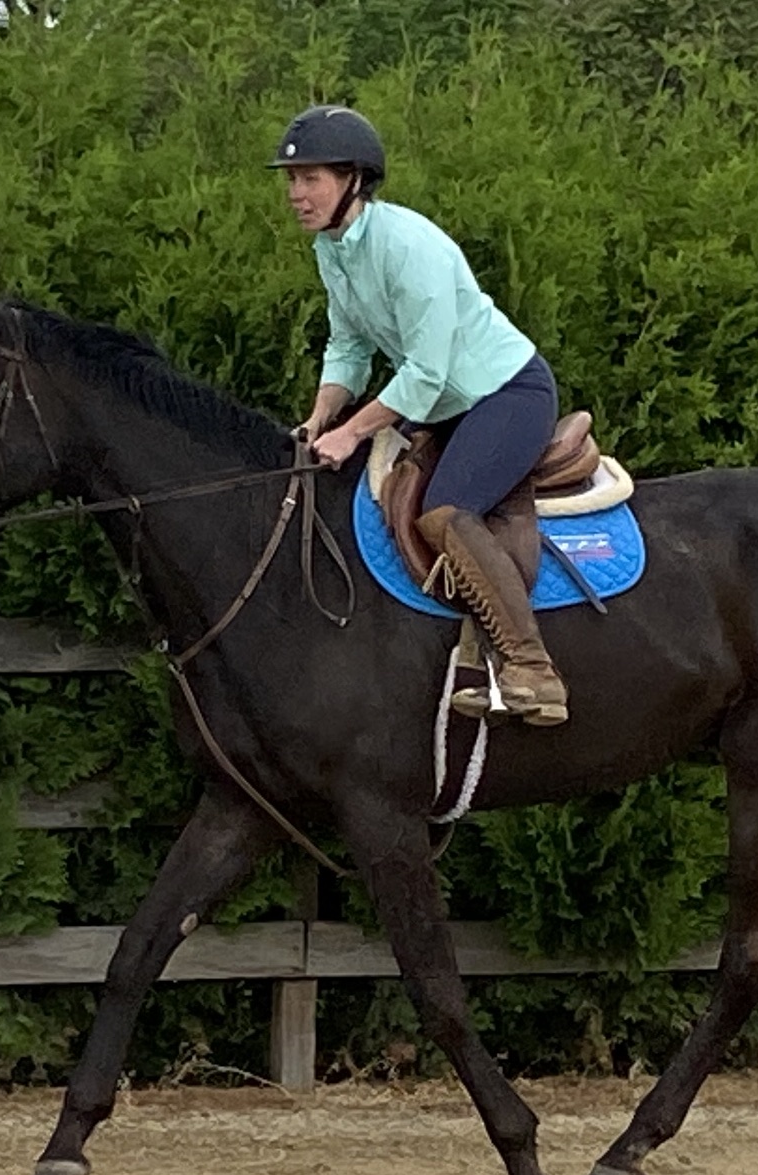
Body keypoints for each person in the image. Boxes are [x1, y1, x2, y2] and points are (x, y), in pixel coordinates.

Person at [270, 104, 568, 727]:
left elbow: (428, 371)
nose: (296, 194)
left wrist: (353, 431)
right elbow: (348, 346)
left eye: (310, 179)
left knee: (444, 509)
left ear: (353, 179)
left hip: (506, 394)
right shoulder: (334, 249)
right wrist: (322, 416)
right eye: (292, 181)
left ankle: (529, 667)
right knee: (382, 498)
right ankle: (463, 654)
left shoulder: (407, 246)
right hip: (445, 405)